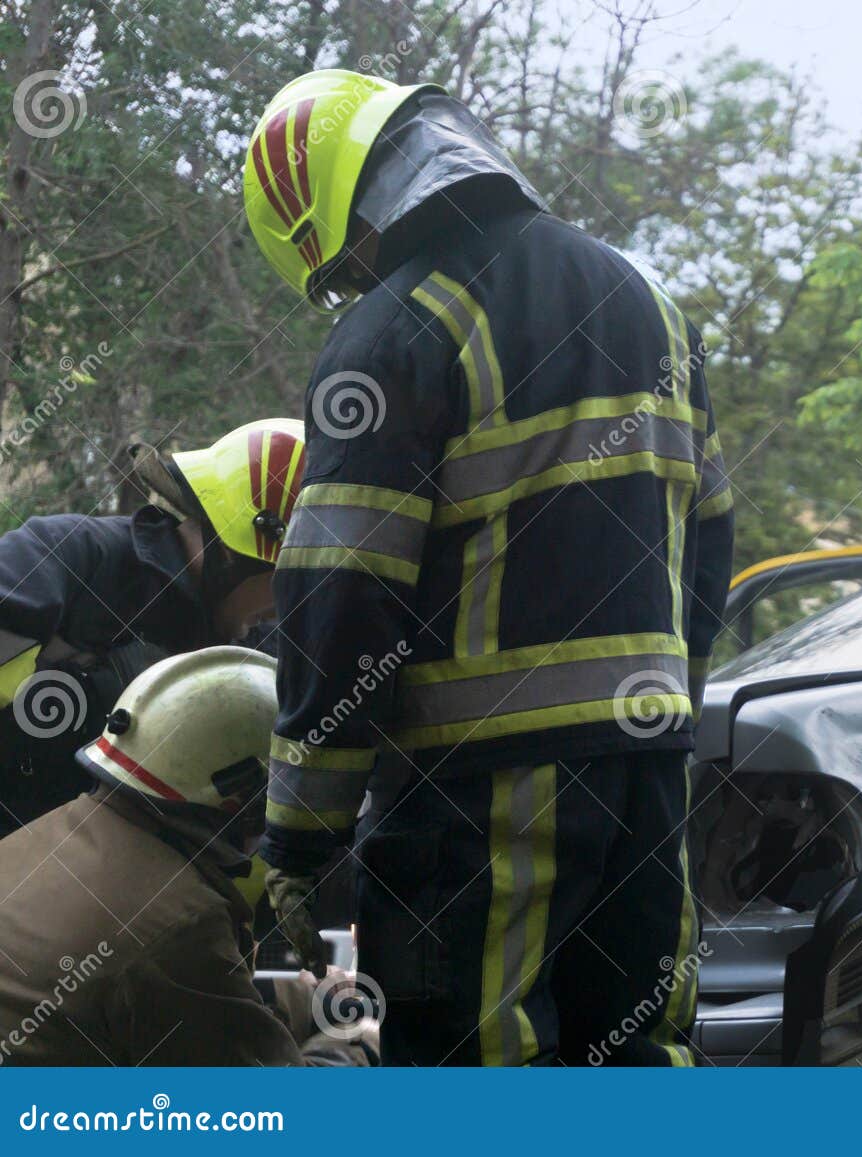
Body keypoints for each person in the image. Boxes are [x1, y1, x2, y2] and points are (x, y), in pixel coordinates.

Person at [243, 70, 734, 1065]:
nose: (354, 286)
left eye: (343, 267)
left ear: (348, 210)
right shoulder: (649, 306)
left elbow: (341, 597)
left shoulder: (397, 331)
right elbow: (709, 540)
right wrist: (655, 712)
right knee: (644, 1047)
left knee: (476, 1057)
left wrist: (298, 839)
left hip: (478, 799)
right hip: (645, 777)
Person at [0, 646, 371, 1065]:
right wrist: (355, 1040)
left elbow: (191, 1000)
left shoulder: (49, 833)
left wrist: (305, 995)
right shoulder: (180, 922)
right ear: (242, 801)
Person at [0, 419, 306, 836]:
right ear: (244, 550)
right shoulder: (72, 556)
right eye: (292, 583)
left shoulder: (261, 655)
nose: (290, 607)